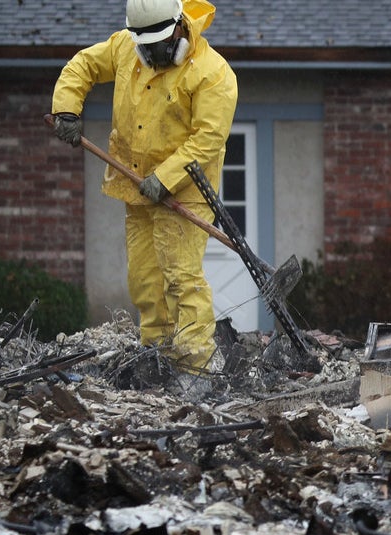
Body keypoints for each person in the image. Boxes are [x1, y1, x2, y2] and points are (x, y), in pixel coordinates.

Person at [50, 0, 237, 374]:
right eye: (146, 47)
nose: (152, 55)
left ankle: (195, 366)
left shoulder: (212, 74)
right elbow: (83, 65)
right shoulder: (125, 48)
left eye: (160, 45)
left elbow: (208, 140)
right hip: (136, 186)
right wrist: (67, 108)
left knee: (181, 279)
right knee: (145, 281)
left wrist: (165, 178)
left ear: (179, 29)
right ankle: (158, 359)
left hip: (185, 192)